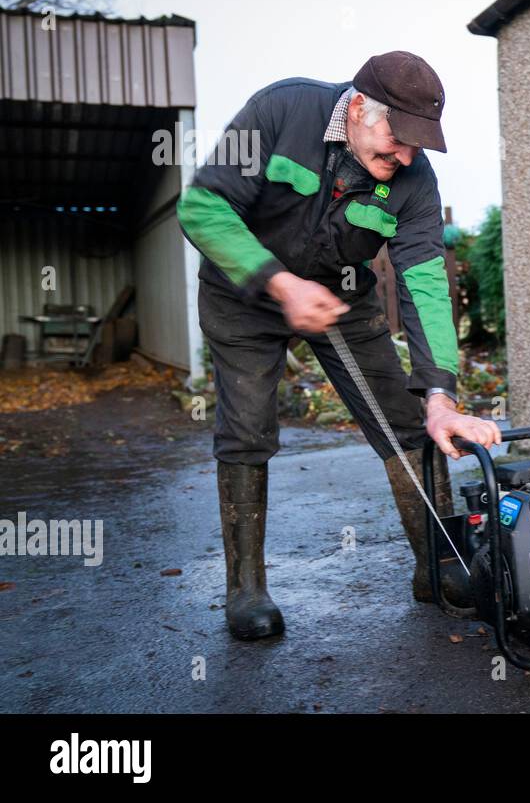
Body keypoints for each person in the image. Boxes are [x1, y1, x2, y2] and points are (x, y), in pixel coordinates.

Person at [177, 51, 501, 640]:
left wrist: (439, 391)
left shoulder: (415, 180)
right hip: (243, 292)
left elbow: (425, 281)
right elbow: (202, 207)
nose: (405, 156)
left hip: (341, 297)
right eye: (397, 139)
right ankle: (246, 589)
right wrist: (279, 282)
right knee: (247, 429)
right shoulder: (281, 112)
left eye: (418, 145)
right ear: (357, 110)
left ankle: (437, 566)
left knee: (407, 423)